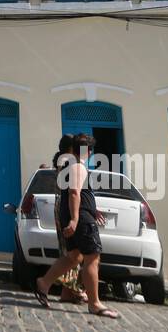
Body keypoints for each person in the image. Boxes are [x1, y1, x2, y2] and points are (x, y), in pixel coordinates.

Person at [33, 133, 119, 319]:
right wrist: (75, 219)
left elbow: (78, 193)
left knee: (74, 256)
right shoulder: (78, 167)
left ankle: (44, 283)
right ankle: (94, 303)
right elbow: (74, 193)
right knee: (92, 258)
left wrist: (90, 209)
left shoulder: (70, 166)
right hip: (80, 218)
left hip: (77, 215)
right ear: (88, 151)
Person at [49, 136, 87, 305]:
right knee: (72, 251)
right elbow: (73, 191)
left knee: (68, 250)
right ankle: (74, 289)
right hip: (66, 208)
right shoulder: (69, 163)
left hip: (60, 207)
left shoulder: (61, 161)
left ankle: (68, 290)